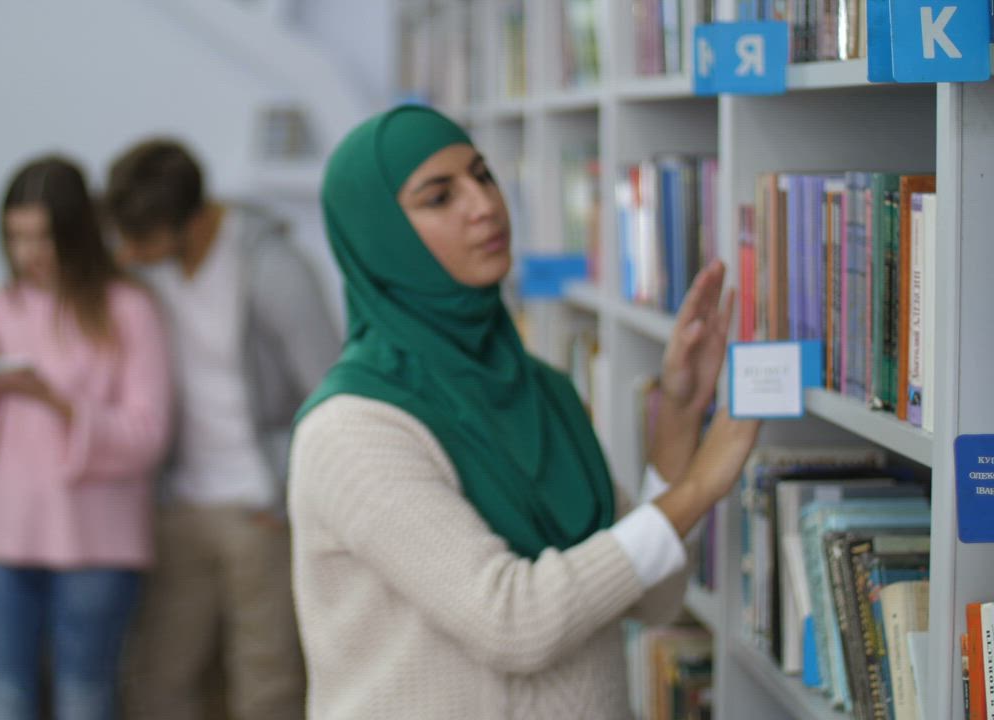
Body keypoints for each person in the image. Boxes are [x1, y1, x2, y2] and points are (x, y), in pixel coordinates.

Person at [288, 105, 761, 719]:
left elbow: (655, 594)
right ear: (380, 236)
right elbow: (513, 623)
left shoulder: (539, 391)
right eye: (439, 197)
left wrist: (677, 417)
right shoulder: (352, 429)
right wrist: (698, 487)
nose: (483, 205)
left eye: (482, 175)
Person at [104, 139, 340, 720]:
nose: (128, 254)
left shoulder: (271, 268)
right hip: (181, 504)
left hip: (258, 509)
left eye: (142, 240)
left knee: (268, 684)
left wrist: (285, 489)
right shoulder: (150, 271)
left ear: (188, 222)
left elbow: (330, 393)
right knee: (156, 680)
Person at [0, 156, 172, 720]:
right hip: (2, 540)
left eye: (43, 238)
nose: (28, 255)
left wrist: (52, 397)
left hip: (96, 545)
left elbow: (148, 437)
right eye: (15, 238)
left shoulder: (129, 308)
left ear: (76, 234)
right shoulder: (0, 307)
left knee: (84, 701)